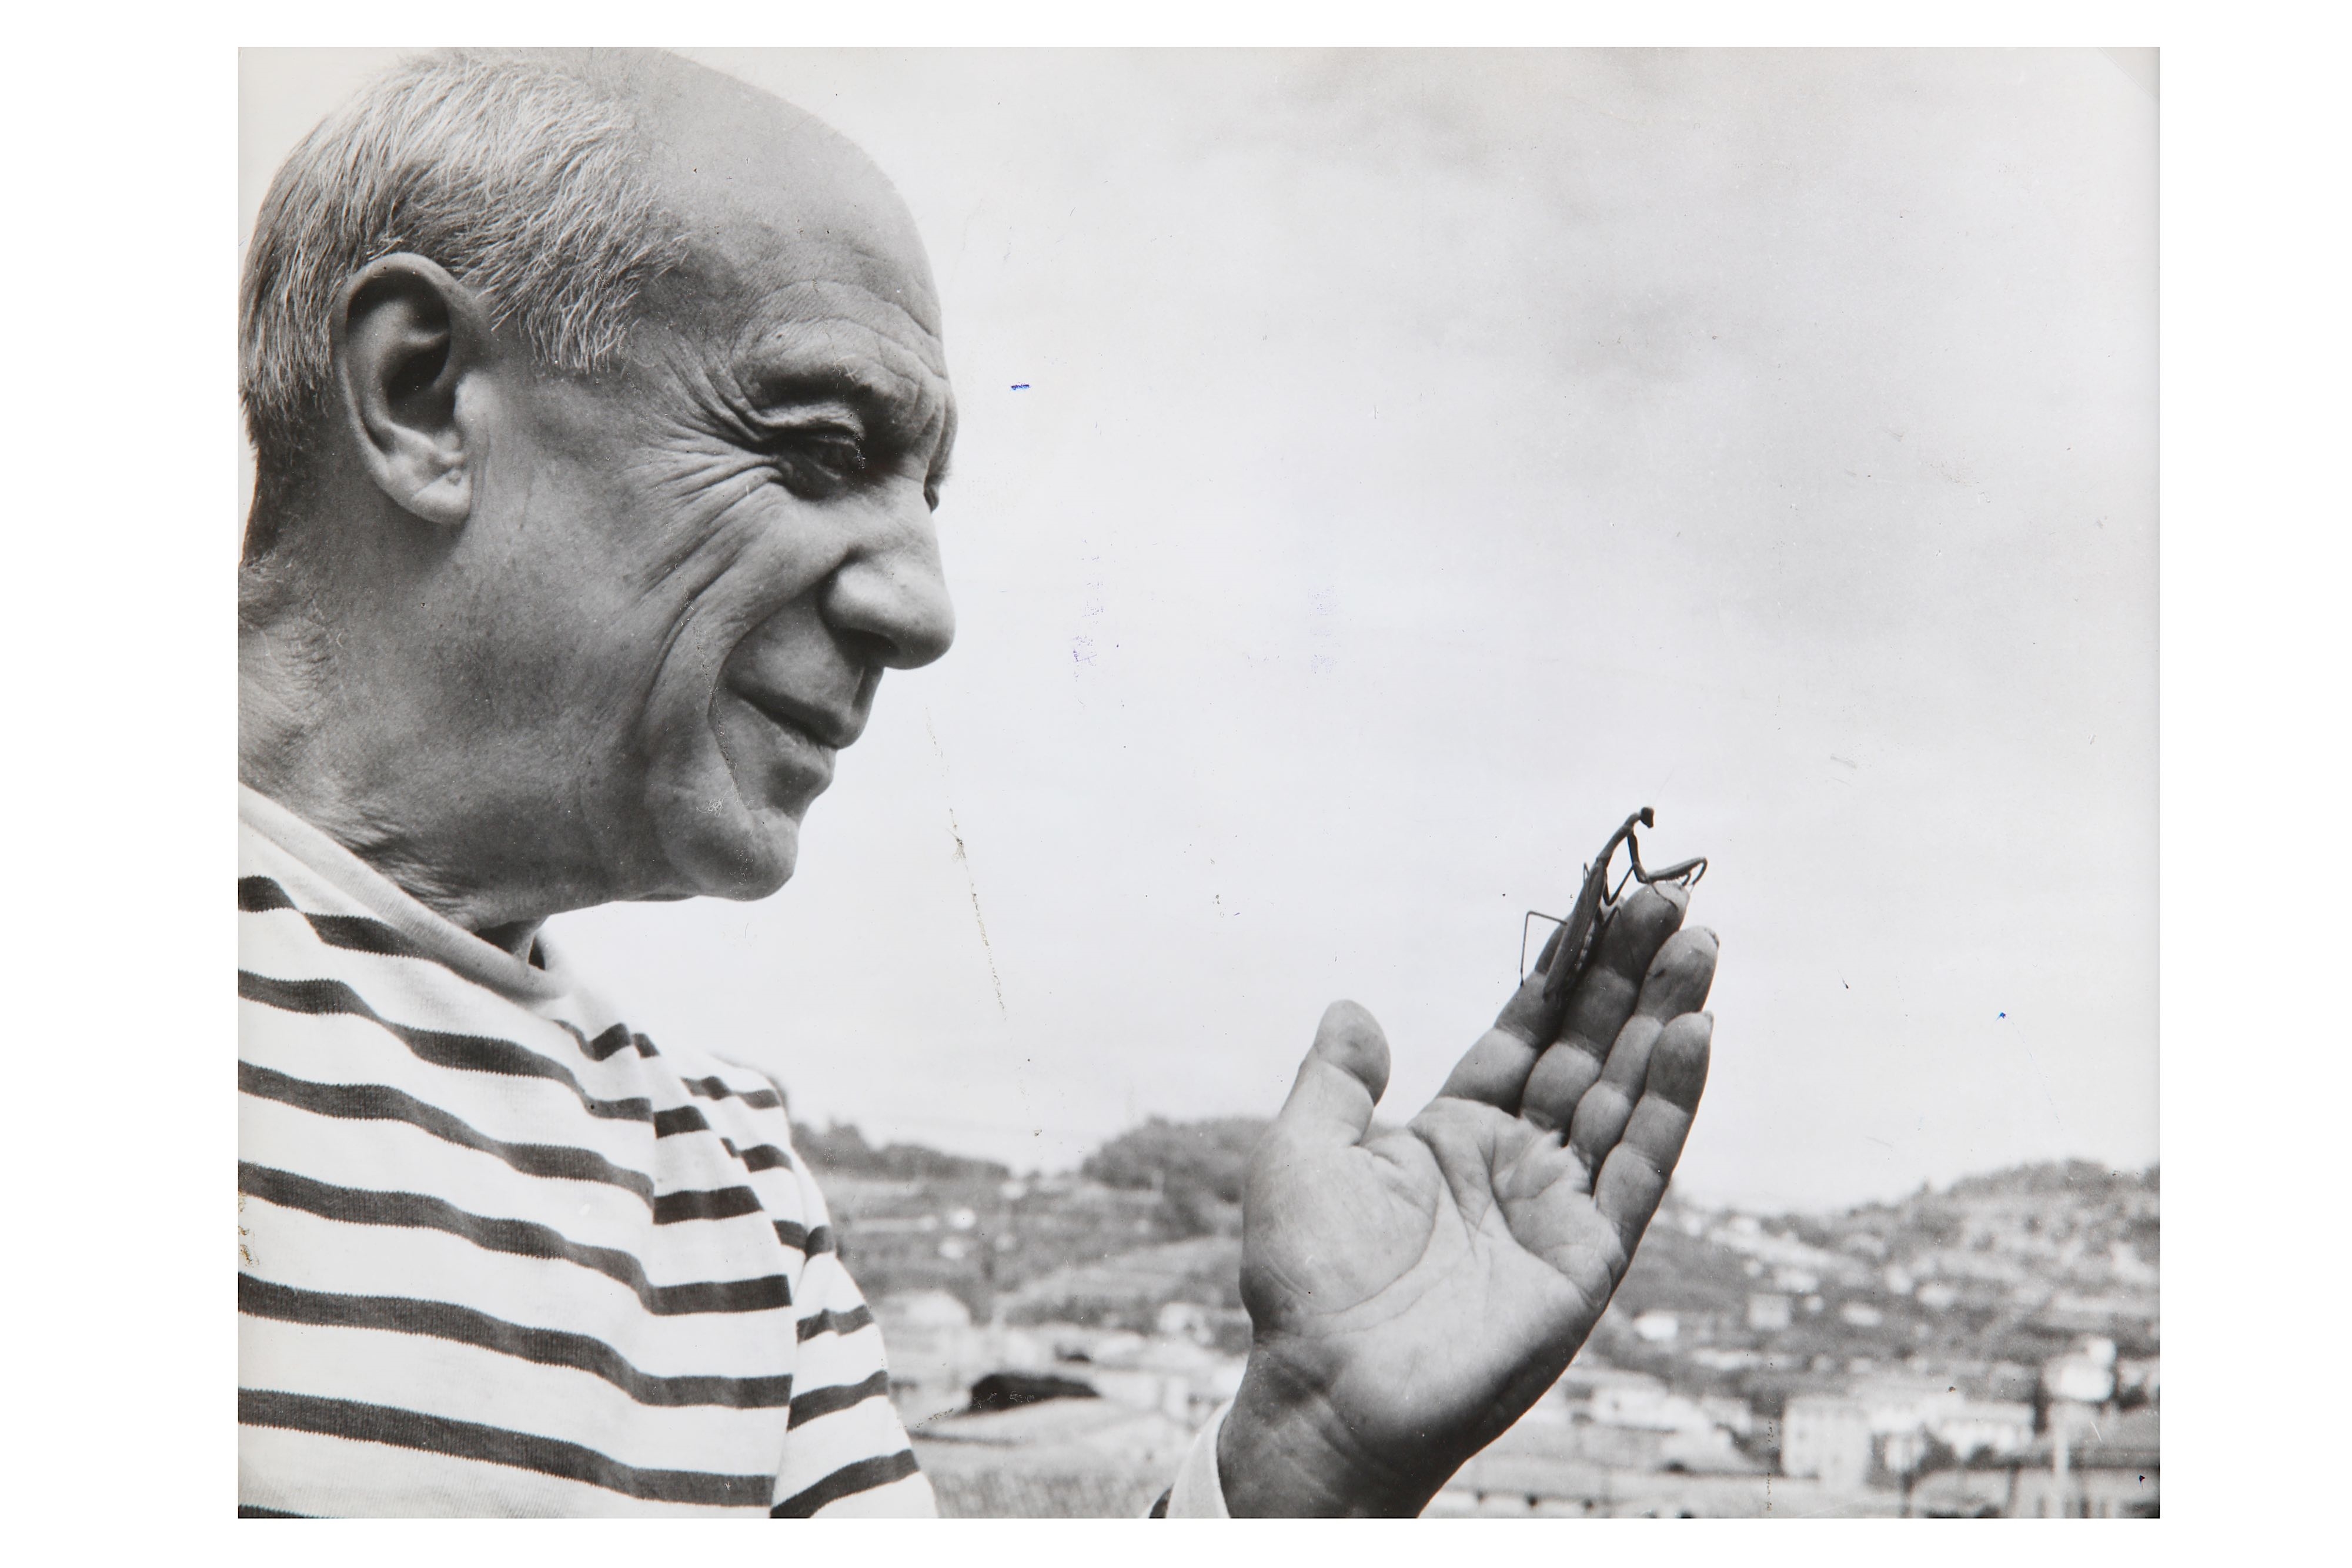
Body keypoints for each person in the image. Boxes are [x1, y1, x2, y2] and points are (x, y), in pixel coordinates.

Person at [236, 48, 1721, 1519]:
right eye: (821, 449)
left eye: (924, 495)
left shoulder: (729, 1181)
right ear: (422, 395)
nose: (925, 608)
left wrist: (1302, 1461)